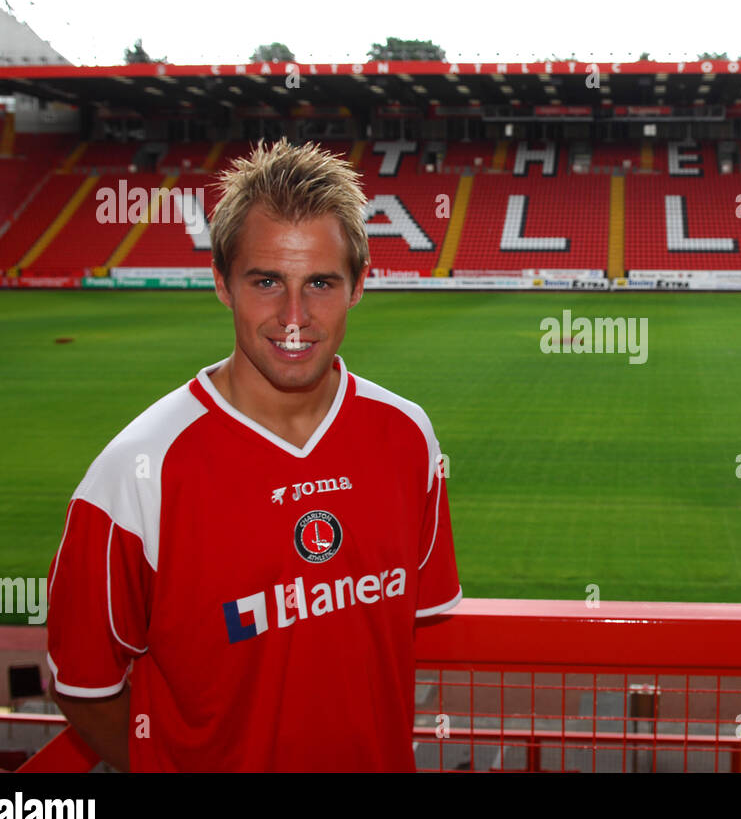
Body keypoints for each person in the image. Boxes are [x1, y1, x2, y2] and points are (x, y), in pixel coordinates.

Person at [46, 139, 461, 771]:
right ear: (221, 282)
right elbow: (83, 687)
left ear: (358, 287)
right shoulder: (137, 472)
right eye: (266, 281)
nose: (293, 318)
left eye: (320, 282)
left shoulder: (408, 436)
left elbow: (410, 623)